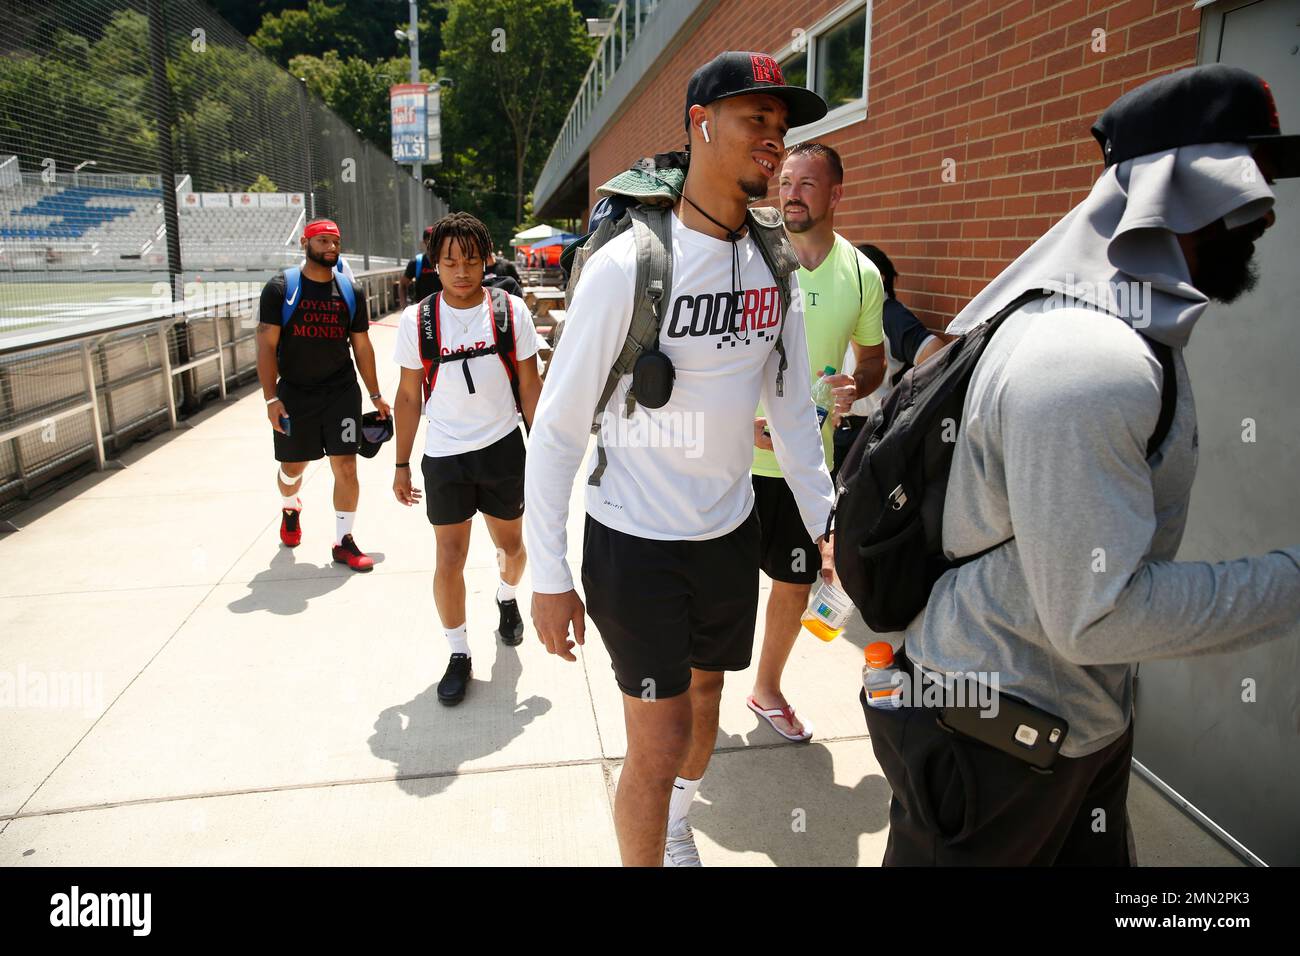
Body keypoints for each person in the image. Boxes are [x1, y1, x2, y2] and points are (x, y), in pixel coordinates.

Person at [864, 64, 1300, 865]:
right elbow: (1096, 615)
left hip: (1061, 726)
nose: (1265, 213)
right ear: (1182, 194)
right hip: (993, 745)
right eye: (1247, 189)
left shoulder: (1119, 331)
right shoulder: (1087, 359)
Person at [525, 51, 834, 867]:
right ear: (701, 124)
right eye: (754, 121)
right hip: (636, 543)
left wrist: (826, 521)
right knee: (656, 743)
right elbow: (557, 427)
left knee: (705, 706)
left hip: (727, 533)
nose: (775, 142)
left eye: (781, 126)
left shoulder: (776, 264)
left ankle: (673, 822)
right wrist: (548, 572)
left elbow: (794, 411)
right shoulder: (629, 264)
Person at [747, 142, 886, 742]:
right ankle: (693, 697)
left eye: (807, 183)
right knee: (715, 582)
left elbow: (874, 360)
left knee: (794, 582)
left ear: (835, 195)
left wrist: (859, 384)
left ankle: (766, 689)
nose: (792, 192)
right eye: (785, 182)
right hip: (729, 460)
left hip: (804, 465)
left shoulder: (862, 274)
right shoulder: (748, 259)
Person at [391, 212, 543, 705]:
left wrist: (543, 448)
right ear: (434, 264)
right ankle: (458, 653)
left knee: (511, 551)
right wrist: (401, 463)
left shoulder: (510, 310)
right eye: (451, 261)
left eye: (472, 260)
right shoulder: (417, 320)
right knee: (449, 558)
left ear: (487, 260)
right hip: (445, 455)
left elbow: (529, 383)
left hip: (502, 448)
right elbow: (409, 396)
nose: (462, 271)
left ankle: (506, 596)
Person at [257, 218, 389, 571]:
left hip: (341, 392)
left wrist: (375, 394)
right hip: (296, 394)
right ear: (305, 242)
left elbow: (361, 346)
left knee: (346, 464)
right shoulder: (281, 288)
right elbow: (267, 346)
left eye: (336, 241)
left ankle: (343, 541)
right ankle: (291, 506)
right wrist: (272, 399)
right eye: (324, 241)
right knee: (293, 467)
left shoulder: (350, 291)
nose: (331, 247)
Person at [832, 244, 950, 476]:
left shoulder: (891, 315)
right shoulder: (849, 311)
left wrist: (907, 412)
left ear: (879, 277)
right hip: (840, 431)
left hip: (873, 432)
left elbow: (939, 355)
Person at [399, 225, 441, 308]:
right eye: (429, 238)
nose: (433, 242)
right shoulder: (416, 263)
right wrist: (404, 307)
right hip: (422, 311)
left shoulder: (446, 262)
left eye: (436, 239)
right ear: (424, 241)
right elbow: (402, 285)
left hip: (443, 310)